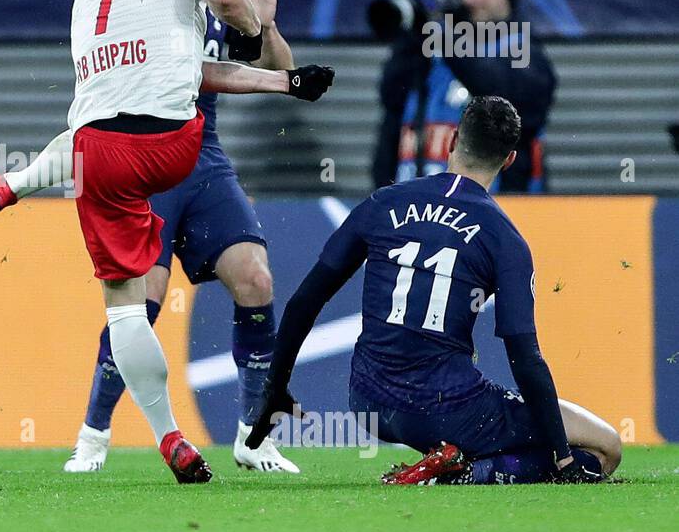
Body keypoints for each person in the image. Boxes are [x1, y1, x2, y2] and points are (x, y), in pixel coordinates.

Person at [0, 0, 331, 474]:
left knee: (256, 279)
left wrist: (264, 23)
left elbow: (276, 69)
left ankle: (253, 435)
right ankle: (94, 433)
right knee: (146, 300)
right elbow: (197, 70)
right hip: (160, 152)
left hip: (199, 157)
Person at [245, 96, 621, 485]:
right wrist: (561, 456)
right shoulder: (505, 240)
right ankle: (467, 472)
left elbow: (305, 300)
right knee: (604, 448)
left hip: (367, 401)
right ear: (509, 160)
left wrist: (275, 387)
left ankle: (450, 460)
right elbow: (525, 357)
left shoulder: (382, 203)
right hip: (449, 408)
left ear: (453, 140)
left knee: (517, 430)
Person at [373, 0, 557, 192]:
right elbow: (390, 98)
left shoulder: (524, 51)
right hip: (419, 203)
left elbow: (498, 90)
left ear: (509, 0)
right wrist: (415, 36)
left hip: (499, 205)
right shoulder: (433, 51)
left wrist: (445, 37)